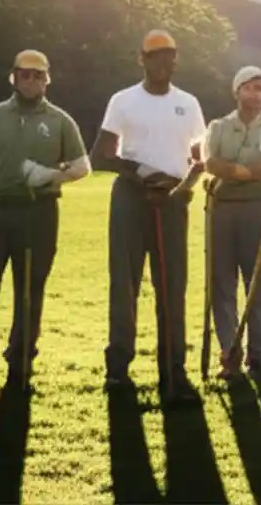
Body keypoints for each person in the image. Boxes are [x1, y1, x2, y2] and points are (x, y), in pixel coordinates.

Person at [0, 49, 90, 394]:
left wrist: (48, 175)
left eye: (38, 75)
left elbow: (82, 166)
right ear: (13, 77)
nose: (31, 81)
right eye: (24, 74)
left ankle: (21, 364)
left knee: (29, 291)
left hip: (38, 213)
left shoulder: (60, 121)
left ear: (47, 79)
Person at [90, 29, 207, 403]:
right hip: (132, 197)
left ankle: (174, 372)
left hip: (172, 201)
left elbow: (199, 158)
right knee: (125, 285)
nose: (163, 62)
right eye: (155, 55)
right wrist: (140, 172)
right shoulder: (123, 101)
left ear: (176, 59)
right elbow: (101, 155)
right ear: (141, 59)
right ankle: (118, 373)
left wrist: (185, 188)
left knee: (172, 287)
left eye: (170, 55)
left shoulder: (188, 103)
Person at [202, 66, 261, 379]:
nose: (255, 94)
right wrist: (247, 171)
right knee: (221, 282)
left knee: (257, 283)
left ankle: (258, 360)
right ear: (237, 91)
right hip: (223, 208)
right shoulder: (219, 126)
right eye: (249, 87)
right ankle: (229, 354)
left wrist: (243, 173)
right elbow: (210, 161)